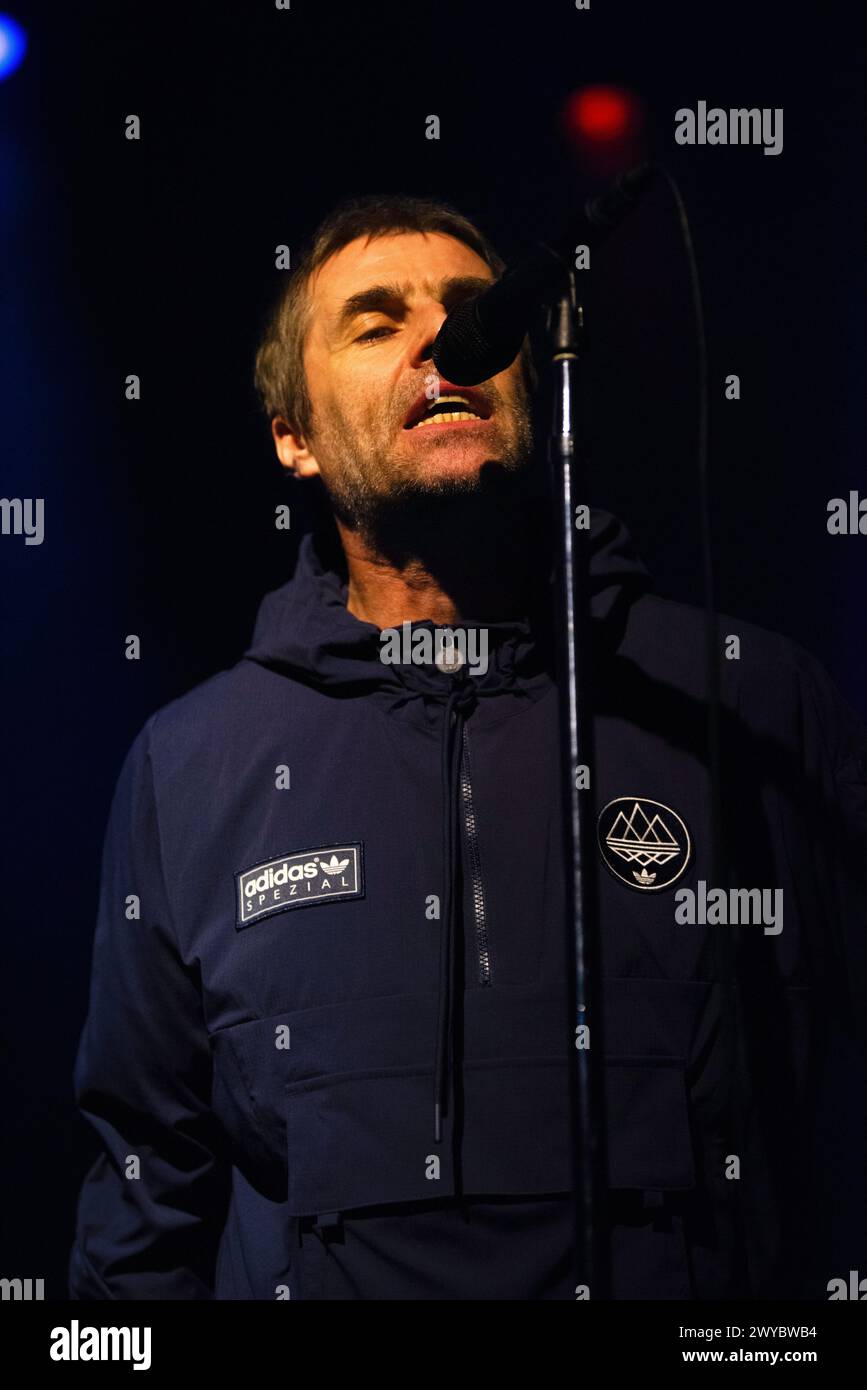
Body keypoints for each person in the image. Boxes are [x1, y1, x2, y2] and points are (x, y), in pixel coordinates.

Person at [69, 194, 867, 1300]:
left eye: (473, 311)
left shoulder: (750, 702)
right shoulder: (190, 765)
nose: (445, 341)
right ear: (292, 437)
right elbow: (144, 1203)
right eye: (376, 322)